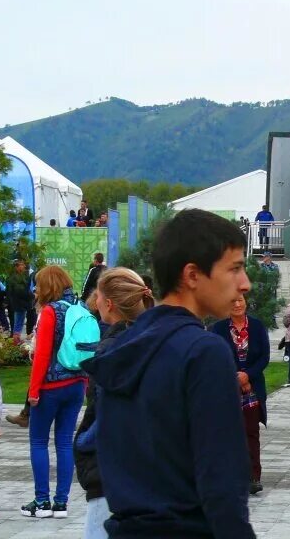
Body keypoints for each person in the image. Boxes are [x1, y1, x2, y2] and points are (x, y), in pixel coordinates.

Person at [82, 208, 255, 538]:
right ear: (192, 275)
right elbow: (222, 482)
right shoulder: (203, 351)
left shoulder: (125, 347)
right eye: (234, 268)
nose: (244, 283)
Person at [76, 268, 155, 538]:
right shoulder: (153, 340)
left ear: (108, 303)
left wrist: (84, 441)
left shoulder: (113, 349)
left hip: (113, 470)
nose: (95, 301)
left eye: (97, 296)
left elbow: (107, 412)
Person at [20, 265, 87, 519]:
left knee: (38, 441)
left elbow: (42, 355)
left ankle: (41, 502)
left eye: (38, 285)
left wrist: (33, 391)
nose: (35, 289)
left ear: (48, 285)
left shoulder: (50, 311)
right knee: (64, 442)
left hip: (51, 386)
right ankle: (61, 503)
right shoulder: (78, 308)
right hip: (77, 384)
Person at [212, 293, 270, 495]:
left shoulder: (257, 326)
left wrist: (248, 376)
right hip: (227, 389)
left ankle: (253, 476)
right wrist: (236, 378)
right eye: (232, 301)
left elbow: (264, 357)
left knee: (251, 432)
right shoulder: (218, 328)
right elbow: (215, 357)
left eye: (240, 300)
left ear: (246, 303)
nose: (237, 304)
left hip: (252, 390)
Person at [5, 258, 34, 342]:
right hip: (19, 303)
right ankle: (16, 341)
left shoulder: (20, 277)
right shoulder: (16, 278)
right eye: (22, 264)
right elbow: (21, 291)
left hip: (19, 303)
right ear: (16, 267)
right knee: (18, 322)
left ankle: (16, 340)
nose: (24, 266)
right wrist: (33, 296)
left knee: (19, 322)